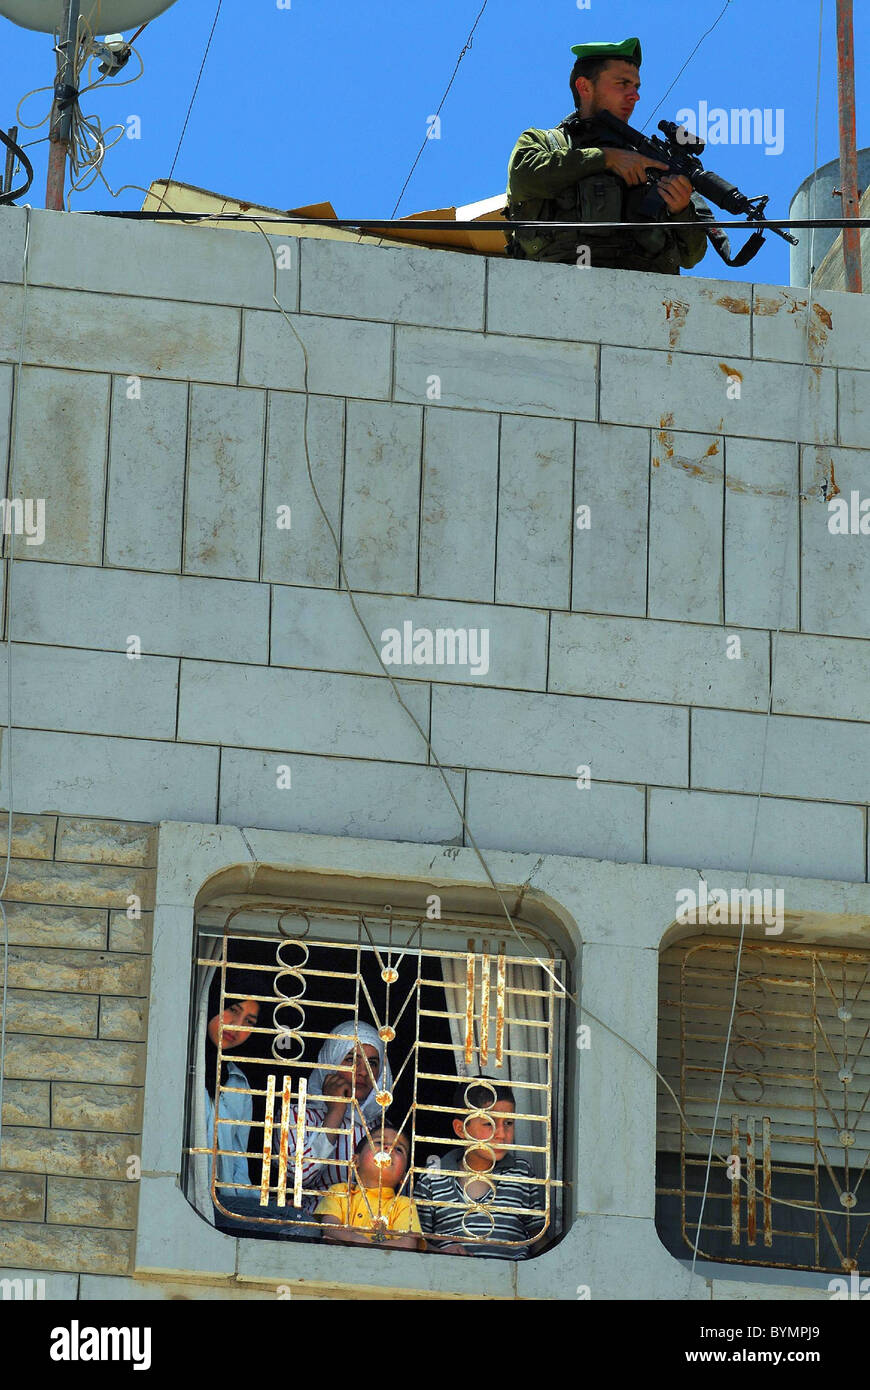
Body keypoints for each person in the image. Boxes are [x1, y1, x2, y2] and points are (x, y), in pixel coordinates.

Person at [505, 37, 710, 274]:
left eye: (636, 87)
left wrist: (680, 209)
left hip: (645, 294)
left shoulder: (650, 161)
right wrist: (605, 158)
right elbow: (524, 176)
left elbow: (691, 256)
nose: (635, 96)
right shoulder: (547, 142)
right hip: (557, 287)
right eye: (623, 84)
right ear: (585, 87)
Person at [413, 1078, 547, 1259]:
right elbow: (417, 1241)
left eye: (508, 1123)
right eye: (489, 1124)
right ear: (461, 1129)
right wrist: (441, 1252)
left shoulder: (521, 1174)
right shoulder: (434, 1177)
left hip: (511, 1282)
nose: (501, 1134)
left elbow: (537, 1237)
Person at [270, 1019, 393, 1213]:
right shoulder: (295, 1116)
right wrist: (336, 1111)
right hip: (311, 1232)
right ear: (330, 1062)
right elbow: (299, 1176)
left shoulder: (382, 1129)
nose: (362, 1072)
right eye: (351, 1059)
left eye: (373, 1063)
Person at [316, 1125, 422, 1249]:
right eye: (379, 1142)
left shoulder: (403, 1205)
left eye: (398, 1149)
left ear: (403, 1177)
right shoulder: (339, 1191)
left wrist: (363, 1246)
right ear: (356, 1161)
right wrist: (357, 1240)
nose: (389, 1148)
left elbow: (407, 1244)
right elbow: (329, 1227)